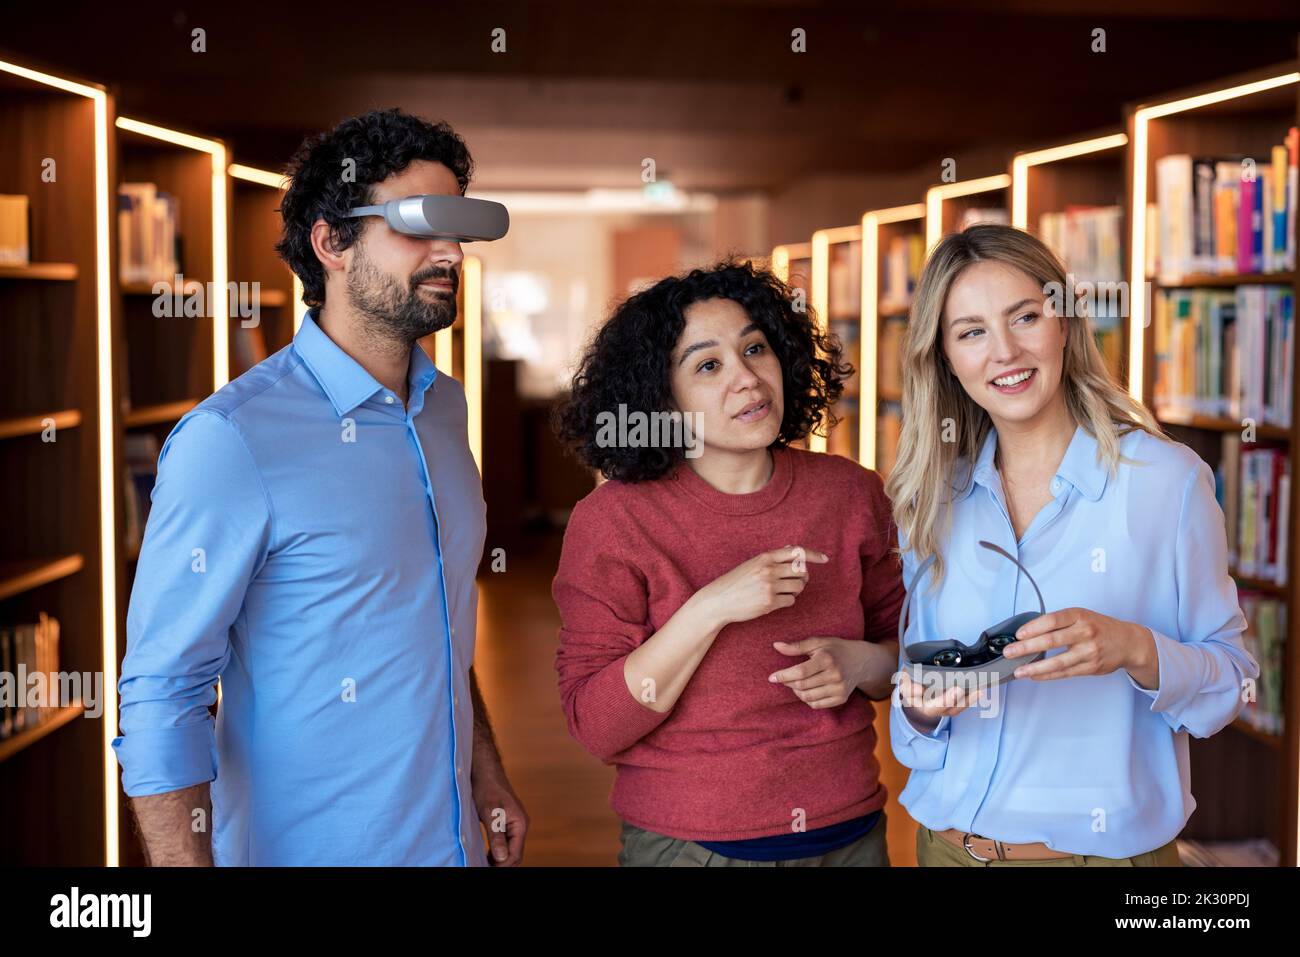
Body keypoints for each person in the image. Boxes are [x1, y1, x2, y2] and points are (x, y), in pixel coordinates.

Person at [113, 108, 527, 866]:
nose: (452, 253)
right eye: (420, 226)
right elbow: (161, 694)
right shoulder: (232, 440)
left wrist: (484, 773)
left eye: (458, 230)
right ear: (331, 241)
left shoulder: (446, 408)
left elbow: (437, 619)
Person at [888, 224, 1258, 867]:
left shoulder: (1164, 482)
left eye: (1024, 317)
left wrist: (1133, 647)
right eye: (972, 331)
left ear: (1063, 322)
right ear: (944, 356)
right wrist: (918, 710)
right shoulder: (933, 499)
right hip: (946, 852)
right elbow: (912, 721)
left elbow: (1232, 685)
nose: (1004, 351)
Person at [552, 260, 904, 867]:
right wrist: (711, 608)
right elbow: (596, 724)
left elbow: (910, 657)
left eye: (756, 349)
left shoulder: (851, 493)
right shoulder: (614, 521)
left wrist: (860, 663)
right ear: (660, 397)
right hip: (692, 847)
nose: (747, 378)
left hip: (852, 834)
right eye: (708, 365)